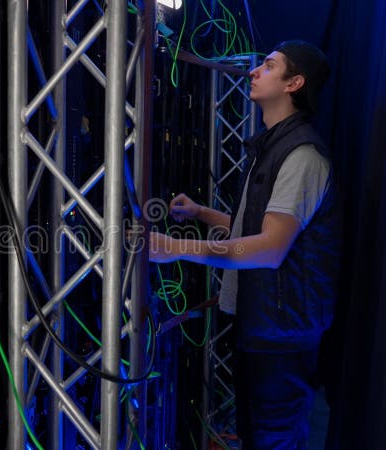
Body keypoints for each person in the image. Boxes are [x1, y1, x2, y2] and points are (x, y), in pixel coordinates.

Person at [149, 40, 342, 449]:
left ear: (294, 83)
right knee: (256, 435)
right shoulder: (272, 146)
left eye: (269, 66)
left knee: (272, 439)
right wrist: (202, 213)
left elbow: (270, 249)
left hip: (282, 337)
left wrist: (177, 248)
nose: (254, 71)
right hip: (266, 328)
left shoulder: (302, 156)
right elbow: (256, 230)